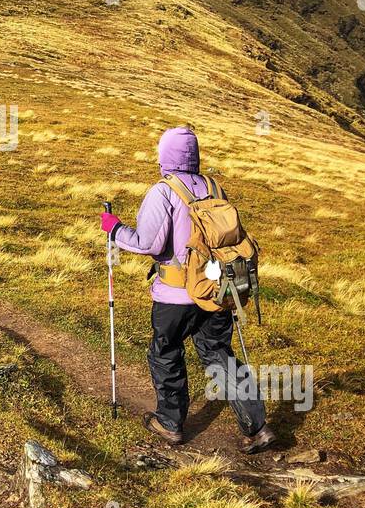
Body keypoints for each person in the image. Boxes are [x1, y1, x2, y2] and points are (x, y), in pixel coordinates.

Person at [99, 125, 276, 453]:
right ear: (193, 155)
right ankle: (258, 427)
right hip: (215, 290)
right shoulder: (214, 187)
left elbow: (148, 243)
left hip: (176, 294)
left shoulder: (163, 191)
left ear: (165, 156)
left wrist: (114, 229)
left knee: (165, 352)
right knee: (219, 354)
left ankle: (170, 423)